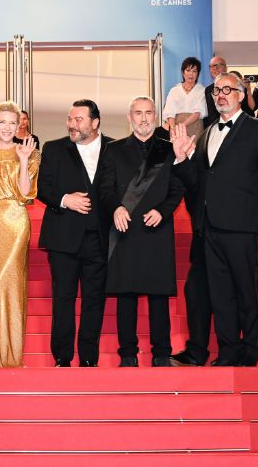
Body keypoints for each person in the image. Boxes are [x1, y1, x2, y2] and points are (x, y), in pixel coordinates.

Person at [173, 73, 258, 366]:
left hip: (242, 227)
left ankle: (250, 352)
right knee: (220, 294)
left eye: (227, 90)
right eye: (217, 90)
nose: (220, 95)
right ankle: (229, 351)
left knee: (246, 291)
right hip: (210, 227)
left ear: (239, 93)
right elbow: (197, 181)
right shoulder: (207, 132)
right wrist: (182, 159)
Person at [98, 97, 185, 367]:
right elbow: (105, 188)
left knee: (158, 294)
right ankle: (127, 353)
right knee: (126, 295)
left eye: (148, 113)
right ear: (129, 117)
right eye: (138, 113)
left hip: (156, 228)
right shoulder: (112, 150)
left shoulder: (169, 149)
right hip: (125, 229)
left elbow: (178, 186)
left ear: (156, 116)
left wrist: (164, 211)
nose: (144, 118)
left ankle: (161, 352)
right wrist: (116, 208)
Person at [37, 99, 111, 367]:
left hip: (100, 239)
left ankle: (89, 359)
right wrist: (65, 199)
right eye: (70, 119)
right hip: (64, 238)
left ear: (95, 122)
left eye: (78, 120)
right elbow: (42, 187)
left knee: (94, 301)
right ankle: (62, 357)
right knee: (63, 299)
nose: (72, 124)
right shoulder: (54, 148)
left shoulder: (114, 148)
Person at [0, 101, 40, 368]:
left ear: (19, 126)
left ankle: (10, 355)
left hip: (15, 222)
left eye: (12, 123)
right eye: (2, 122)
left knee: (9, 283)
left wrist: (24, 161)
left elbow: (26, 194)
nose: (6, 127)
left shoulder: (28, 153)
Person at [162, 57, 208, 139]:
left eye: (194, 71)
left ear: (198, 74)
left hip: (195, 126)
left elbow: (198, 113)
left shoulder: (202, 90)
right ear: (183, 72)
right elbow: (170, 112)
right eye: (188, 70)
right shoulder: (174, 90)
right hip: (176, 127)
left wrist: (182, 126)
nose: (191, 74)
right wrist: (173, 128)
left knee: (194, 150)